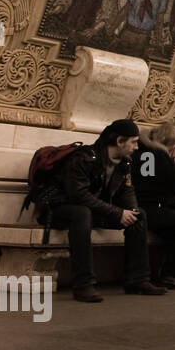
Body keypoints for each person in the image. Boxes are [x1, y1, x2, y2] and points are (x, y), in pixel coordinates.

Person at [36, 119, 164, 302]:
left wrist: (131, 211)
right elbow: (78, 195)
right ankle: (83, 284)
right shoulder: (84, 158)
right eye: (133, 142)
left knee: (139, 215)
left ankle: (138, 280)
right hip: (58, 209)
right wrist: (117, 213)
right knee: (81, 213)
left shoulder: (124, 163)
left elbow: (127, 191)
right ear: (119, 141)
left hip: (93, 210)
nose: (137, 147)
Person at [131, 124, 175, 289]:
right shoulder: (159, 155)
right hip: (152, 207)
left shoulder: (142, 151)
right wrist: (174, 161)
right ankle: (171, 273)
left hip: (145, 204)